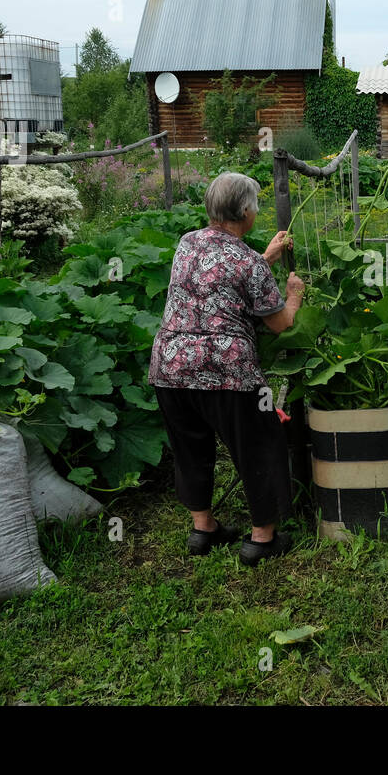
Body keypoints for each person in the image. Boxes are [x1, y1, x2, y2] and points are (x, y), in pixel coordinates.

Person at [148, 171, 305, 566]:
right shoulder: (248, 262)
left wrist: (263, 258)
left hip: (170, 364)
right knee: (259, 444)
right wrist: (293, 296)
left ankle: (203, 528)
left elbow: (216, 278)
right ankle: (261, 539)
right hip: (226, 370)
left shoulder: (188, 243)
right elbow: (280, 323)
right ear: (246, 210)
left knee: (190, 448)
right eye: (256, 205)